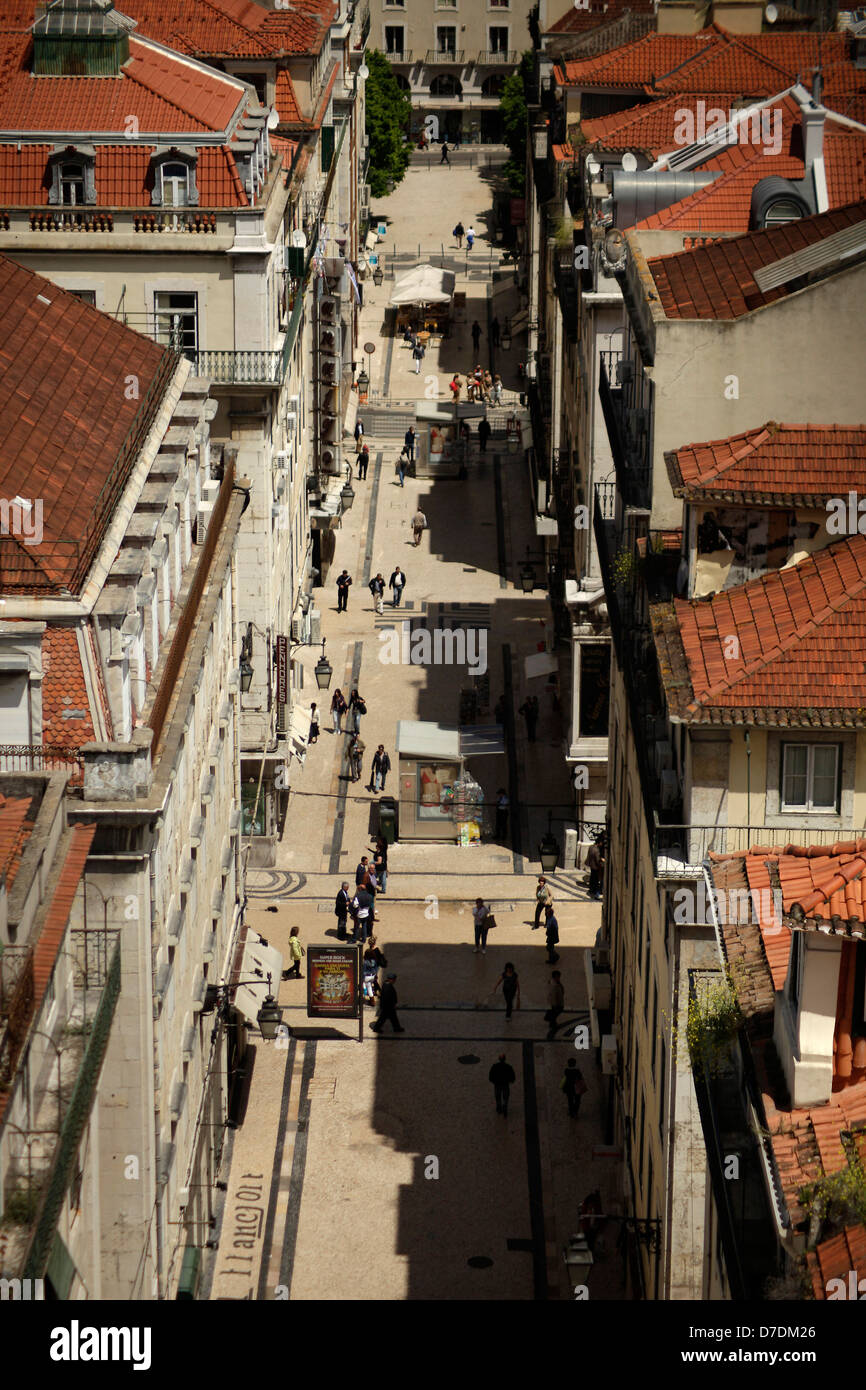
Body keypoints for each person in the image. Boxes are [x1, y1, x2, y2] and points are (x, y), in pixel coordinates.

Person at [363, 936, 388, 1003]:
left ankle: (379, 992)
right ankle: (378, 991)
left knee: (374, 981)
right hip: (376, 967)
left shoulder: (369, 951)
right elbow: (380, 958)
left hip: (372, 968)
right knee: (374, 980)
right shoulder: (376, 950)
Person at [545, 970, 565, 1040]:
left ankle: (552, 1022)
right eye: (557, 977)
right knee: (556, 1011)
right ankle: (552, 1022)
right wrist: (555, 1004)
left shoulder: (557, 983)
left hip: (558, 1001)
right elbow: (553, 995)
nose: (558, 978)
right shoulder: (554, 985)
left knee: (555, 1012)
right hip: (556, 1002)